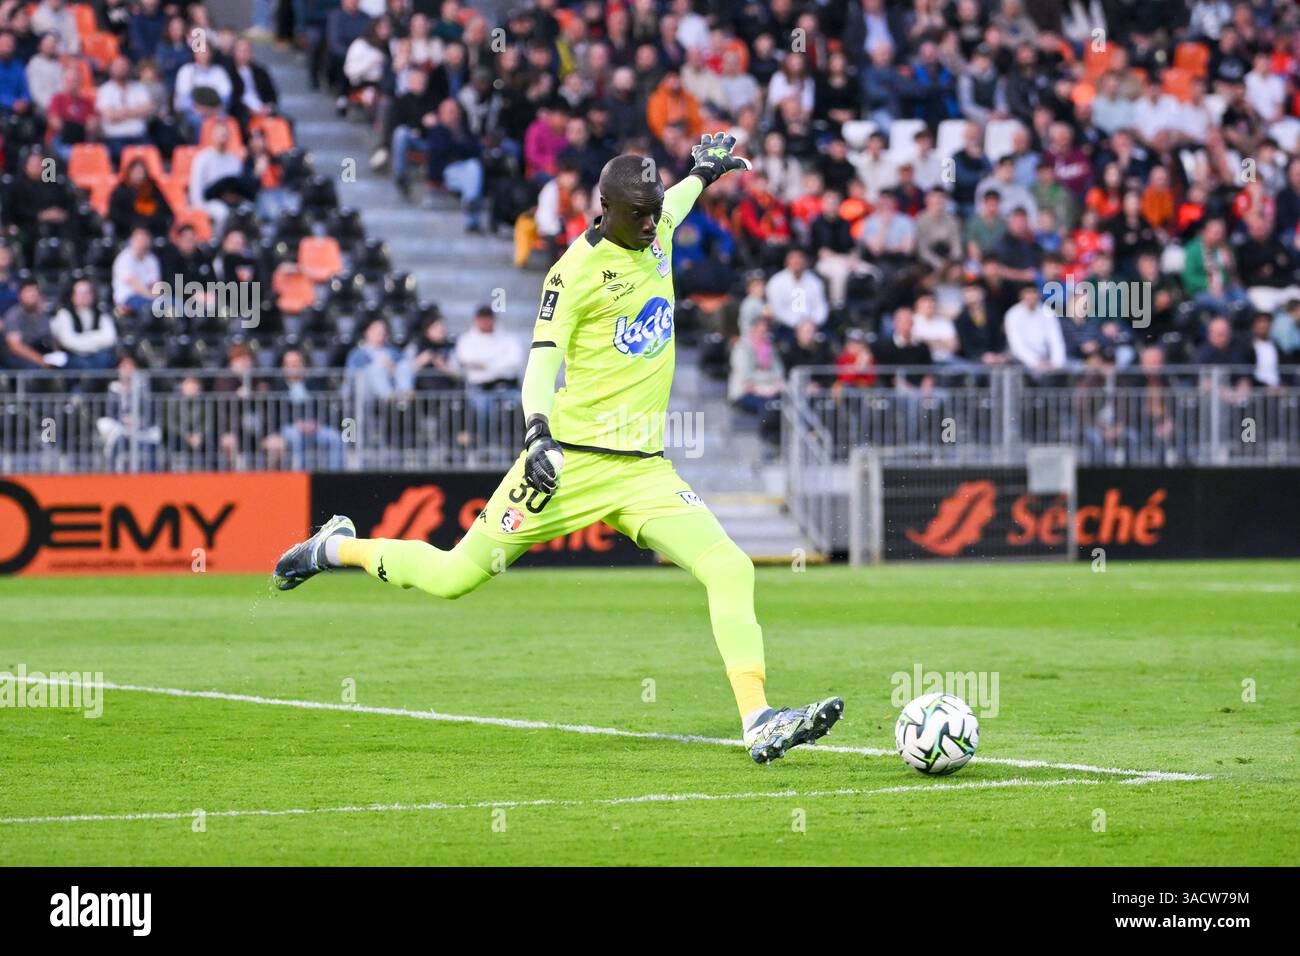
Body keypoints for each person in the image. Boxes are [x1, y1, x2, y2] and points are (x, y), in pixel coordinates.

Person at [275, 134, 843, 764]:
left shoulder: (657, 229)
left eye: (656, 211)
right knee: (453, 576)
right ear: (605, 209)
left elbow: (679, 200)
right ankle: (335, 546)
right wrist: (537, 432)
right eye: (640, 214)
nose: (651, 223)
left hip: (644, 471)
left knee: (731, 567)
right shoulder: (572, 275)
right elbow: (541, 363)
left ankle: (758, 719)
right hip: (568, 462)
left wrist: (702, 174)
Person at [50, 278, 118, 371]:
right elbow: (68, 341)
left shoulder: (101, 313)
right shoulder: (64, 314)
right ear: (73, 296)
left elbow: (110, 338)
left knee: (106, 359)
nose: (84, 296)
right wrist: (96, 339)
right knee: (79, 364)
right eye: (80, 293)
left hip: (97, 356)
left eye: (87, 293)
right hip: (73, 356)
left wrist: (83, 338)